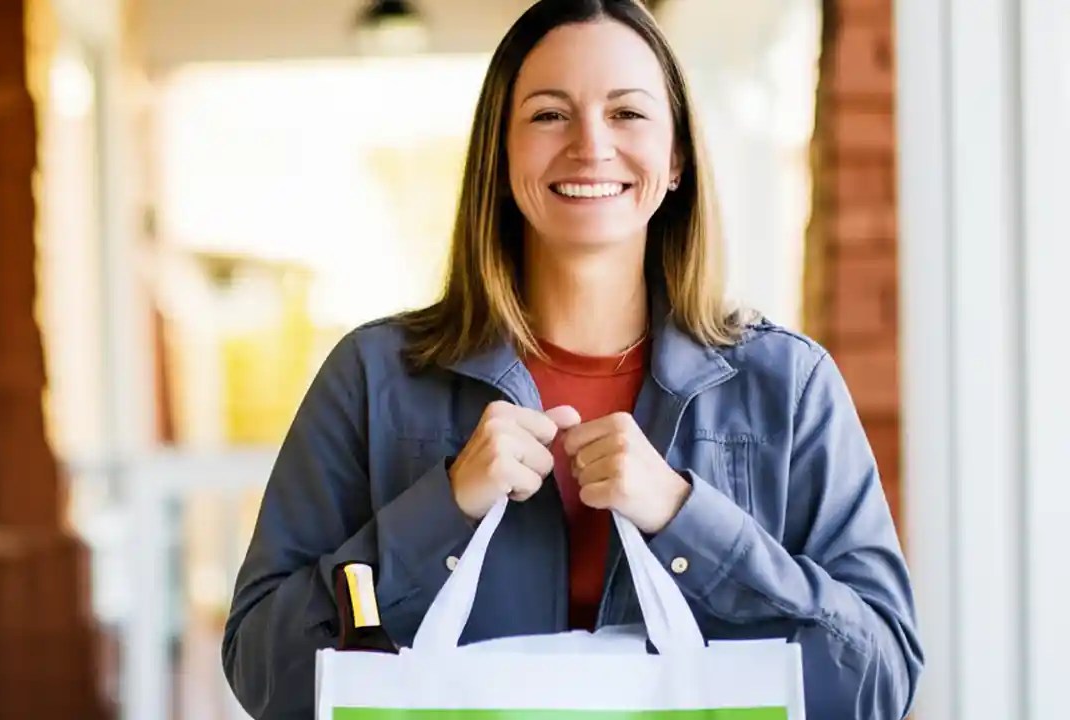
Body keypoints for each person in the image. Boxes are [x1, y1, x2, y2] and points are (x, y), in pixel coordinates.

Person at [221, 0, 923, 717]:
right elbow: (265, 669)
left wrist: (684, 519)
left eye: (628, 114)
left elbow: (876, 681)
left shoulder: (790, 387)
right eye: (550, 114)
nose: (591, 145)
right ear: (500, 155)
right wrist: (443, 510)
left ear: (676, 157)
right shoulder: (371, 380)